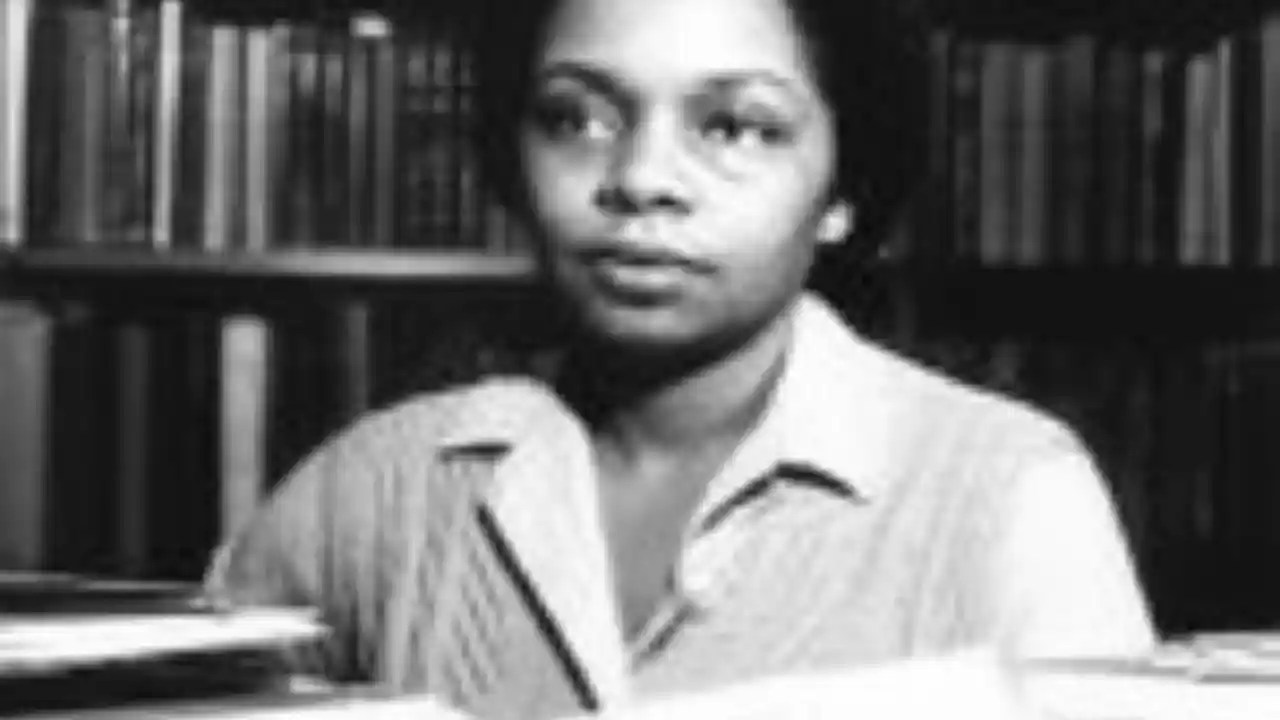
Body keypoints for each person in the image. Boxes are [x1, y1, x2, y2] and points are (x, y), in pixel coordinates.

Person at [203, 0, 1157, 716]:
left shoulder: (1006, 494)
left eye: (735, 126)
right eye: (578, 118)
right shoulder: (374, 493)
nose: (641, 179)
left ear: (843, 190)